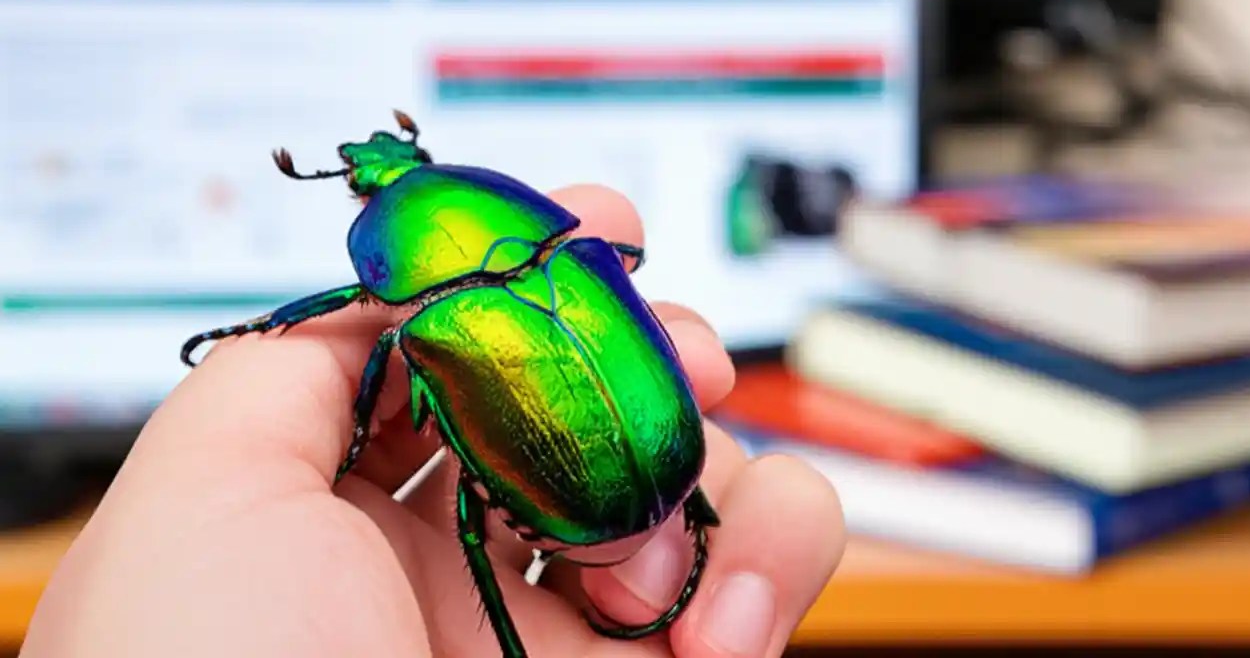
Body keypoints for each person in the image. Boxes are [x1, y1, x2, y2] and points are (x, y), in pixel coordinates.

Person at [20, 185, 846, 658]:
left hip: (622, 477)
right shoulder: (581, 263)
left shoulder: (422, 327)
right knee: (465, 507)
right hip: (626, 474)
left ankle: (686, 515)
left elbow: (355, 305)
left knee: (465, 515)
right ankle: (686, 515)